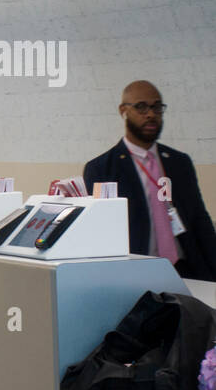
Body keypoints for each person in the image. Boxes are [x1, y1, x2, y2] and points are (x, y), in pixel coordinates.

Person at [83, 80, 216, 281]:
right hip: (135, 276)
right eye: (141, 107)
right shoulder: (101, 169)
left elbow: (199, 218)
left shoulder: (179, 162)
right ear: (123, 111)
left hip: (186, 271)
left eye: (156, 107)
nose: (151, 114)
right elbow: (100, 235)